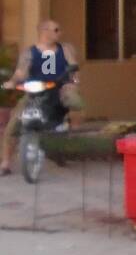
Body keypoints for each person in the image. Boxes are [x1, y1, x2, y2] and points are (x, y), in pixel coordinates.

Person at [1, 19, 83, 176]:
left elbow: (74, 68)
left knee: (75, 102)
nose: (60, 33)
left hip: (60, 88)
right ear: (45, 31)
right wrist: (12, 82)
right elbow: (21, 71)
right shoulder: (30, 52)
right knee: (14, 123)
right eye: (56, 30)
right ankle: (5, 163)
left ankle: (72, 135)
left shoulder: (64, 49)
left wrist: (73, 83)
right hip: (36, 90)